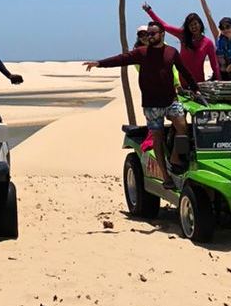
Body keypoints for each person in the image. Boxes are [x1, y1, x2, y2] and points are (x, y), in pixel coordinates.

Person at [84, 20, 196, 188]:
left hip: (171, 100)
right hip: (151, 104)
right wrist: (99, 63)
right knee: (157, 138)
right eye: (148, 34)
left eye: (153, 34)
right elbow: (121, 59)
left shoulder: (171, 52)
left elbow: (184, 71)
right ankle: (166, 176)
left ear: (162, 34)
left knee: (182, 128)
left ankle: (174, 157)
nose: (149, 37)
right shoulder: (141, 52)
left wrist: (196, 89)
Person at [142, 3, 220, 88]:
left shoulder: (208, 43)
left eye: (195, 24)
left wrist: (219, 81)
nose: (193, 27)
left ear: (200, 24)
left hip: (199, 82)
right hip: (183, 81)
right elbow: (164, 26)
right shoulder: (183, 35)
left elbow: (214, 65)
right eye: (190, 25)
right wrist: (149, 11)